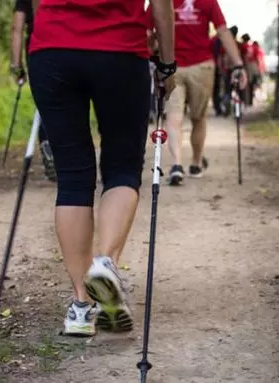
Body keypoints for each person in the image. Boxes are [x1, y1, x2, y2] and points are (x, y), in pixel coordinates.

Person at [28, 0, 176, 336]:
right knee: (122, 168)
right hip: (119, 51)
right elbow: (163, 6)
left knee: (72, 178)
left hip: (52, 51)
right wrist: (167, 65)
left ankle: (81, 307)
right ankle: (105, 263)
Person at [147, 0, 247, 186]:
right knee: (198, 118)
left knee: (173, 117)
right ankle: (195, 163)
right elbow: (223, 31)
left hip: (171, 65)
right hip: (201, 67)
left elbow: (146, 31)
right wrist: (238, 64)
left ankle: (177, 164)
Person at [10, 0, 57, 182]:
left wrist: (16, 65)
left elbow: (17, 27)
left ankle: (47, 145)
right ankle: (62, 150)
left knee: (44, 103)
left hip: (37, 51)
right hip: (67, 44)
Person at [240, 34, 259, 106]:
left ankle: (246, 101)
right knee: (251, 84)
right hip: (253, 66)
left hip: (246, 66)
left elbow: (244, 57)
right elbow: (256, 58)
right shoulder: (252, 46)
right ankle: (250, 101)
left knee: (245, 84)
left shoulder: (243, 46)